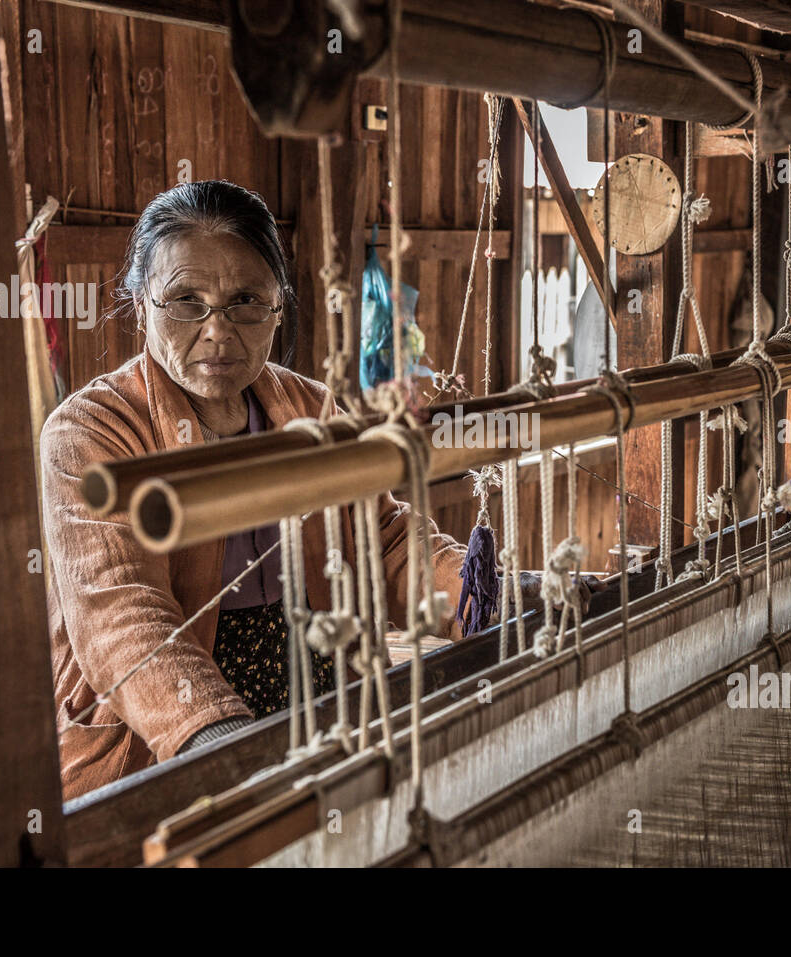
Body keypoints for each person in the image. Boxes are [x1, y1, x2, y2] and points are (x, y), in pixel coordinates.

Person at [42, 180, 565, 800]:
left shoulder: (310, 406)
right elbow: (124, 616)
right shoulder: (90, 431)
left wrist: (494, 596)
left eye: (245, 302)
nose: (217, 331)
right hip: (157, 737)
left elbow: (384, 542)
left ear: (278, 307)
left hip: (318, 702)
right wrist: (222, 746)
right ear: (140, 302)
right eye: (186, 301)